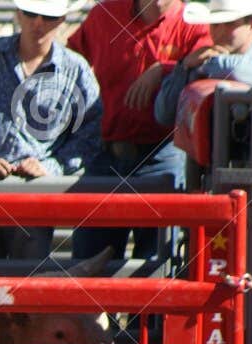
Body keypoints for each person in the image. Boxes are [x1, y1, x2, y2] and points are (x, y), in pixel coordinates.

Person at [0, 0, 102, 260]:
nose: (38, 23)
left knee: (24, 284)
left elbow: (91, 132)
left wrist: (50, 167)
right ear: (18, 14)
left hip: (33, 194)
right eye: (32, 13)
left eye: (48, 16)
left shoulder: (75, 69)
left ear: (61, 20)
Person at [68, 0, 210, 260]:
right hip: (106, 152)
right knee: (89, 261)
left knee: (157, 263)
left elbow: (211, 63)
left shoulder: (194, 22)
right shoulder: (105, 15)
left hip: (163, 152)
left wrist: (164, 70)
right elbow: (70, 60)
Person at [153, 0, 252, 180]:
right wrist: (183, 67)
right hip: (221, 183)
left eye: (230, 24)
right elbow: (164, 113)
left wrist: (200, 64)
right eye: (215, 24)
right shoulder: (202, 63)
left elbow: (237, 70)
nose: (220, 31)